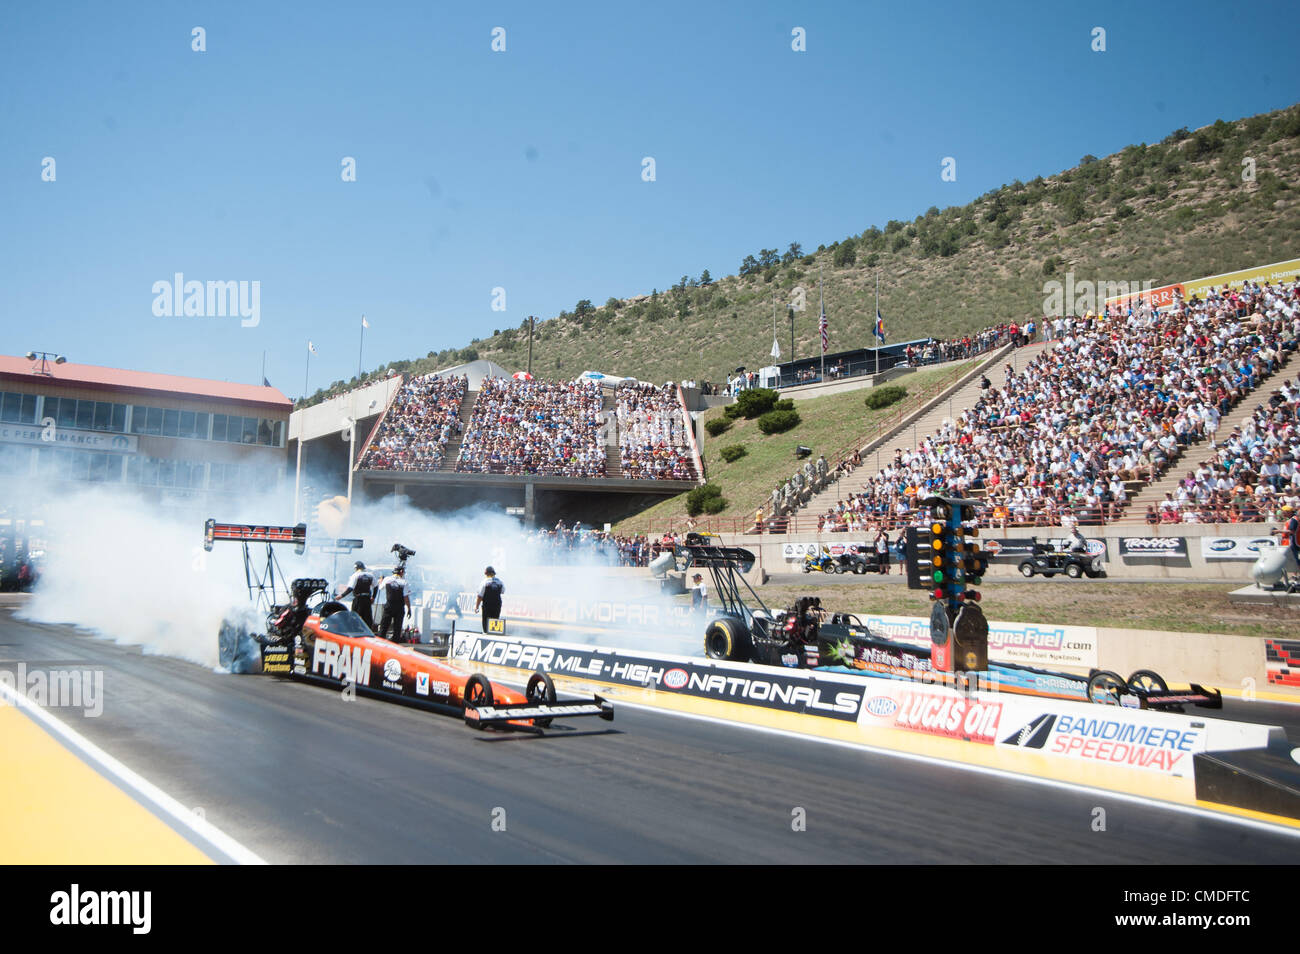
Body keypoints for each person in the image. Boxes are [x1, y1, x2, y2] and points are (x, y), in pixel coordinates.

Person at [337, 561, 375, 630]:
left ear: (356, 568)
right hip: (367, 599)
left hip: (358, 599)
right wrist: (373, 597)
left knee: (355, 616)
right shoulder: (370, 575)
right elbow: (376, 586)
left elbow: (350, 588)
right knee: (367, 618)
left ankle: (354, 632)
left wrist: (341, 596)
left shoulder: (355, 575)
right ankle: (368, 632)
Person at [376, 565, 411, 640]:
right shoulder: (404, 582)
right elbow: (406, 597)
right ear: (401, 572)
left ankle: (380, 641)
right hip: (399, 607)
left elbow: (380, 588)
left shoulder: (387, 579)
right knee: (397, 628)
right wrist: (409, 608)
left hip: (389, 605)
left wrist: (381, 580)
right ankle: (395, 643)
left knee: (384, 626)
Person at [476, 566, 505, 633]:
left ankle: (486, 635)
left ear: (486, 573)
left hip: (487, 605)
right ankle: (494, 635)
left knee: (486, 623)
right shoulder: (500, 582)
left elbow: (480, 596)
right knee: (495, 623)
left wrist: (476, 607)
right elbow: (503, 591)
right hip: (497, 605)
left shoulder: (484, 582)